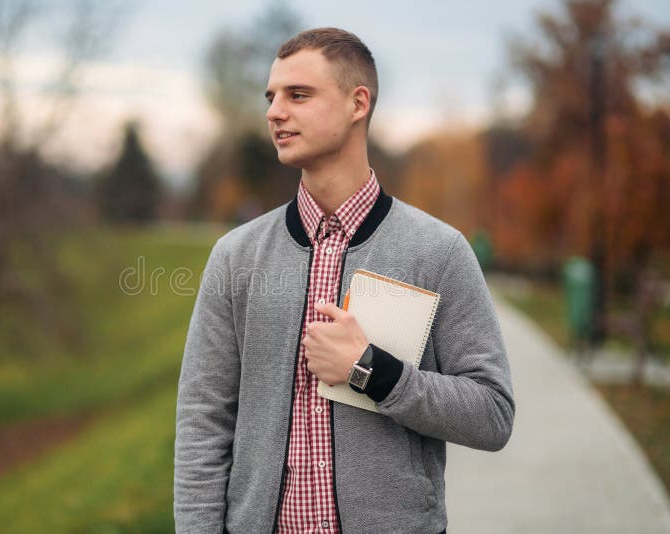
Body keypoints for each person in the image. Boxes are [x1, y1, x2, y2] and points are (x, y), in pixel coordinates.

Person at [174, 27, 515, 534]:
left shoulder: (438, 252)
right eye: (271, 97)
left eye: (299, 95)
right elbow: (203, 421)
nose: (274, 111)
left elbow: (492, 414)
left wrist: (372, 371)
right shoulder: (235, 257)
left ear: (358, 103)